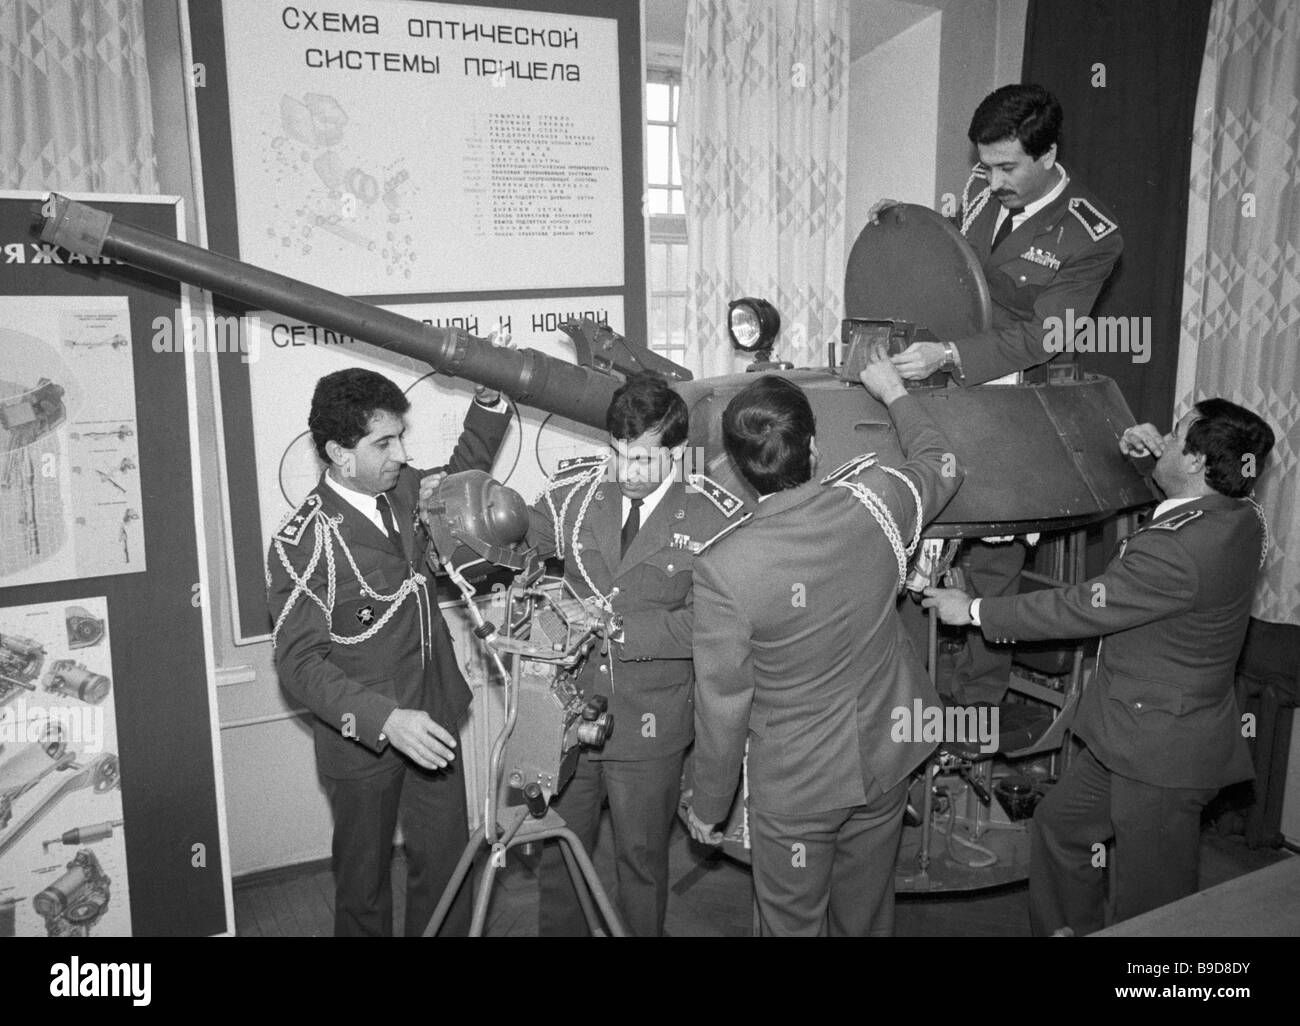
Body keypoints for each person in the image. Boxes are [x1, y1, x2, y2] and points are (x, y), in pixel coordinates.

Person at [923, 398, 1275, 935]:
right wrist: (1147, 462)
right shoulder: (1239, 514)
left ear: (1200, 461)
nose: (1163, 435)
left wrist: (972, 610)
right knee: (1062, 830)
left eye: (1177, 435)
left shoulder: (1182, 551)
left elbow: (1084, 606)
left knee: (1153, 907)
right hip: (1132, 732)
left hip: (1161, 753)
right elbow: (1181, 506)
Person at [684, 344, 963, 936]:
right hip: (888, 759)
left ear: (736, 465)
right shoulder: (880, 501)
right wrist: (896, 394)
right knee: (864, 920)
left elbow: (722, 706)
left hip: (799, 788)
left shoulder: (724, 570)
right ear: (813, 448)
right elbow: (943, 464)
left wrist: (709, 806)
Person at [874, 82, 1126, 707]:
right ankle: (908, 695)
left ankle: (975, 709)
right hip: (944, 387)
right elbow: (953, 270)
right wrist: (907, 224)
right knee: (908, 533)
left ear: (1048, 155)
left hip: (1015, 401)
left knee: (992, 565)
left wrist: (954, 355)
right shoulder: (983, 194)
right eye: (985, 166)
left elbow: (1049, 334)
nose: (993, 179)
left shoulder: (1092, 235)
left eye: (1007, 167)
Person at [266, 369, 509, 936]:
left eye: (401, 437)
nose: (402, 454)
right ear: (339, 454)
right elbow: (297, 663)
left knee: (449, 867)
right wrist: (386, 720)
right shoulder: (303, 541)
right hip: (364, 739)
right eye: (385, 443)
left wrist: (490, 399)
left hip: (433, 716)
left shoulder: (403, 489)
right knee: (364, 882)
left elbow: (463, 469)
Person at [526, 372, 745, 937]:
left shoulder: (712, 518)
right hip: (568, 714)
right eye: (618, 453)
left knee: (641, 865)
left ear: (675, 453)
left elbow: (716, 624)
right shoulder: (578, 495)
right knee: (559, 853)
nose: (626, 471)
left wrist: (621, 627)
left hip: (649, 725)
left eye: (643, 459)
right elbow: (518, 540)